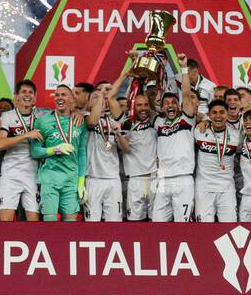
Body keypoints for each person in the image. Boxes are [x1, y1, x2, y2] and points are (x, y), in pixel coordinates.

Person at [30, 85, 87, 221]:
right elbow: (35, 151)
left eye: (64, 95)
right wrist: (54, 150)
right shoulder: (43, 121)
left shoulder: (79, 121)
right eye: (57, 95)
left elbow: (81, 153)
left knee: (70, 225)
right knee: (50, 224)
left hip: (71, 180)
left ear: (73, 99)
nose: (59, 98)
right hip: (50, 178)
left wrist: (81, 181)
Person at [152, 55, 198, 222]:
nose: (170, 105)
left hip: (183, 179)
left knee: (183, 225)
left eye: (173, 102)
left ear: (178, 106)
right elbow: (151, 99)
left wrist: (184, 67)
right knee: (157, 224)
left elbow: (186, 94)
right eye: (166, 103)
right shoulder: (158, 121)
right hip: (162, 180)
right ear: (162, 108)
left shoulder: (187, 118)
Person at [82, 73, 130, 221]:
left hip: (113, 179)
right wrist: (102, 94)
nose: (101, 99)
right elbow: (92, 122)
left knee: (114, 224)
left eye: (103, 97)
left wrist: (118, 134)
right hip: (92, 178)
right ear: (89, 103)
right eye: (95, 97)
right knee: (92, 224)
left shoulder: (114, 120)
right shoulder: (85, 117)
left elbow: (126, 149)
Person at [0, 79, 43, 221]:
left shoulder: (41, 117)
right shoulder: (8, 116)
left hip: (33, 175)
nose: (27, 95)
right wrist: (26, 135)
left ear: (35, 97)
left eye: (30, 92)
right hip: (11, 174)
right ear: (16, 97)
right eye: (23, 92)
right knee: (6, 222)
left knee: (33, 221)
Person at [194, 98, 240, 222]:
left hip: (226, 189)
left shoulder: (236, 136)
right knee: (204, 229)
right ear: (209, 115)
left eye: (222, 112)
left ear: (227, 114)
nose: (218, 116)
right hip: (204, 189)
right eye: (214, 112)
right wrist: (204, 121)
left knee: (229, 227)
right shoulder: (199, 131)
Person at [120, 81, 158, 221]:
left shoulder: (156, 121)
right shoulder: (127, 124)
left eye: (146, 105)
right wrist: (131, 80)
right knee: (135, 224)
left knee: (158, 223)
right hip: (135, 179)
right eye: (139, 105)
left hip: (156, 178)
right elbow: (125, 148)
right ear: (133, 106)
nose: (143, 108)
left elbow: (156, 100)